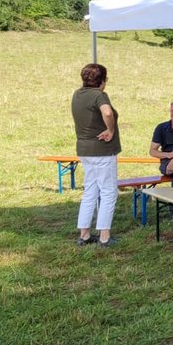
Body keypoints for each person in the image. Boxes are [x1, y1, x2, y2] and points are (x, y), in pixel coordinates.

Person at [71, 63, 121, 248]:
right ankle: (104, 236)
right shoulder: (99, 95)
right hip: (102, 150)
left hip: (84, 150)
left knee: (90, 191)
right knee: (108, 192)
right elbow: (107, 112)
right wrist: (110, 130)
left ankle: (84, 234)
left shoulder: (77, 94)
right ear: (102, 80)